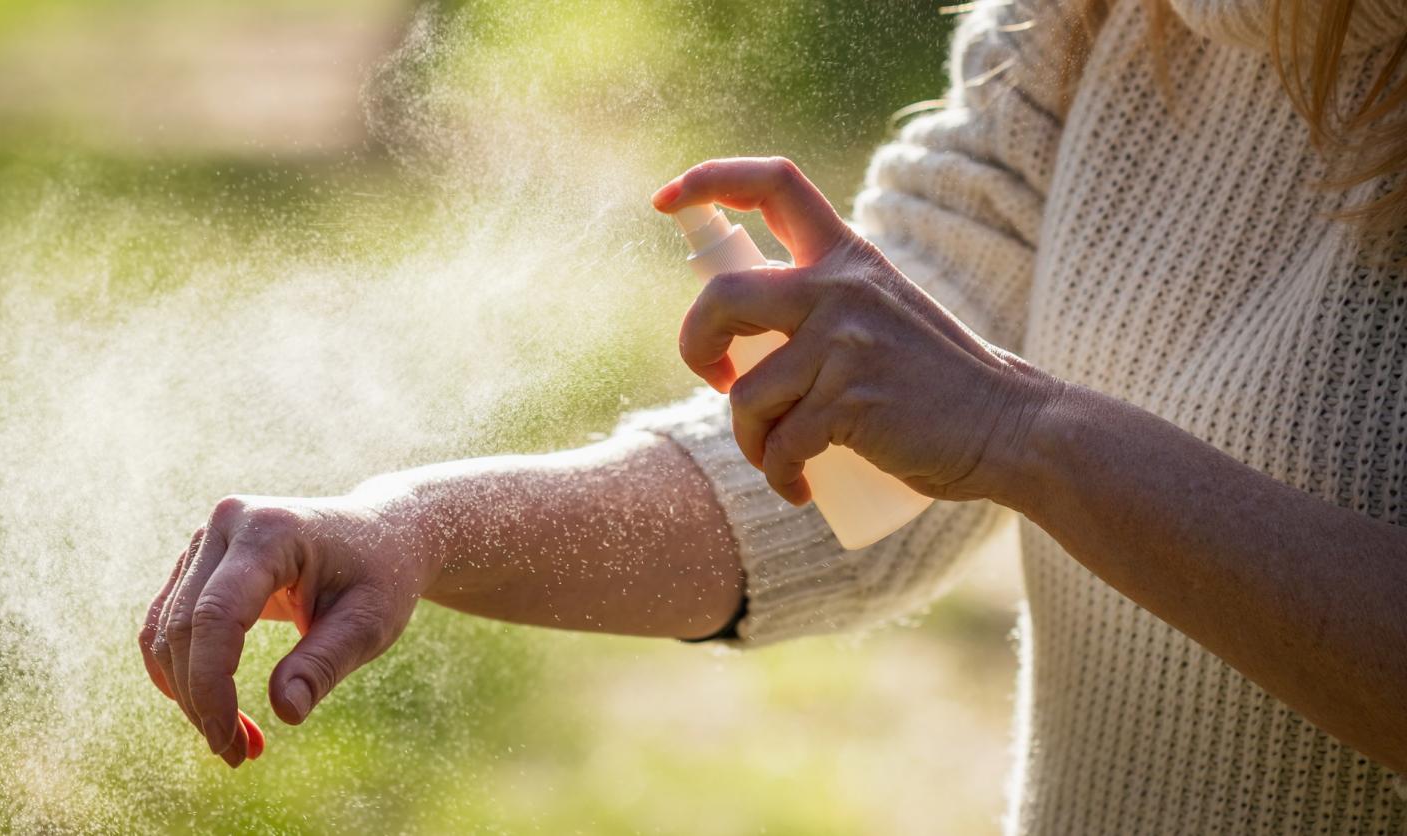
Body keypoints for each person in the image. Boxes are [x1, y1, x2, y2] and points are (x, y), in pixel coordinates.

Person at [139, 0, 1407, 830]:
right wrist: (410, 527)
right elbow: (848, 486)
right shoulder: (1088, 26)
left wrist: (1027, 437)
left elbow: (977, 423)